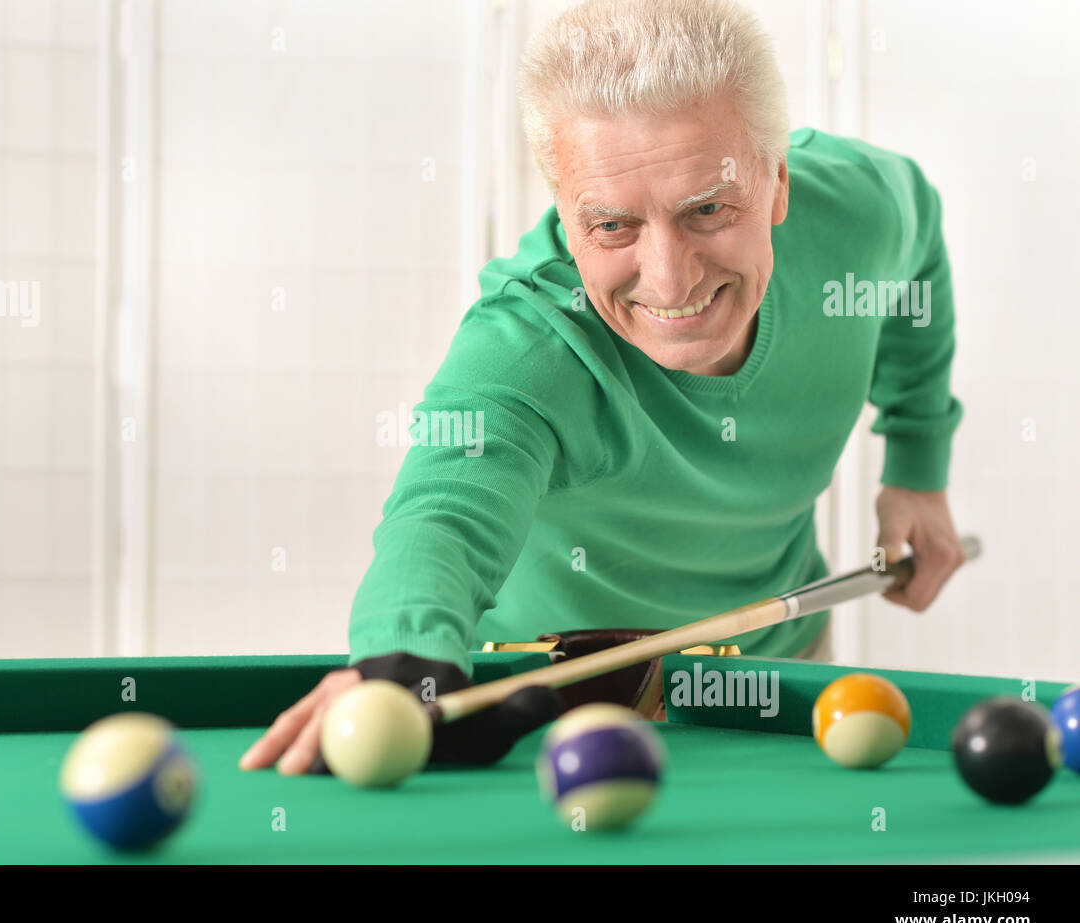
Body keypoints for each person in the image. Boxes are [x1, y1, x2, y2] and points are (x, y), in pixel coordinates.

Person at [240, 0, 966, 776]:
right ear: (565, 212)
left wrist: (918, 467)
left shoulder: (854, 214)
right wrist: (404, 662)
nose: (670, 278)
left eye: (708, 209)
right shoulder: (528, 348)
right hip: (547, 718)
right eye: (613, 226)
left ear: (777, 182)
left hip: (779, 683)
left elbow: (918, 235)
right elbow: (441, 516)